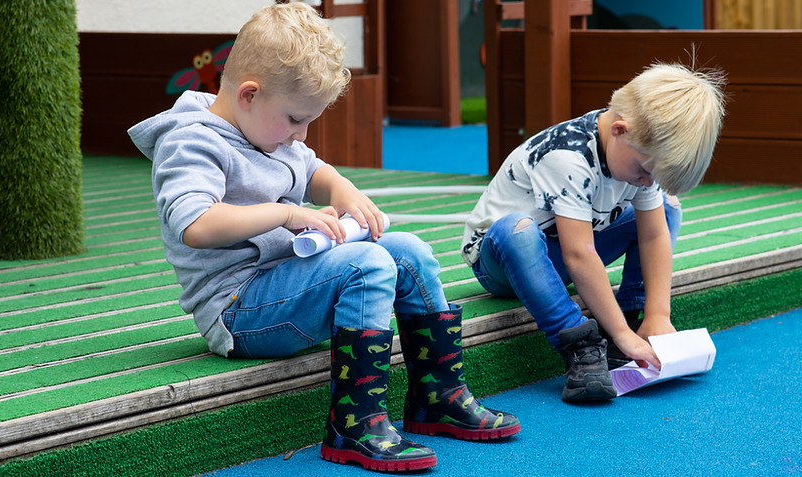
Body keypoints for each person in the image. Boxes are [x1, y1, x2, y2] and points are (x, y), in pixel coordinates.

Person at [128, 3, 519, 472]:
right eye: (295, 119)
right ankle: (354, 425)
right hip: (239, 309)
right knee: (367, 265)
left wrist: (343, 191)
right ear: (249, 94)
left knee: (409, 251)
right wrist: (289, 214)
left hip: (288, 281)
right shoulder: (191, 142)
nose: (302, 133)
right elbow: (196, 226)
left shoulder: (270, 133)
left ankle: (437, 395)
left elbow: (316, 171)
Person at [460, 62, 726, 402]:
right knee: (518, 231)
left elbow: (654, 235)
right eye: (645, 172)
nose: (647, 182)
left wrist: (658, 315)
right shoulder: (566, 157)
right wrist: (620, 333)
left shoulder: (636, 151)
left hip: (562, 252)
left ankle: (632, 315)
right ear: (619, 130)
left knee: (667, 207)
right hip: (502, 261)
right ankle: (580, 344)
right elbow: (579, 255)